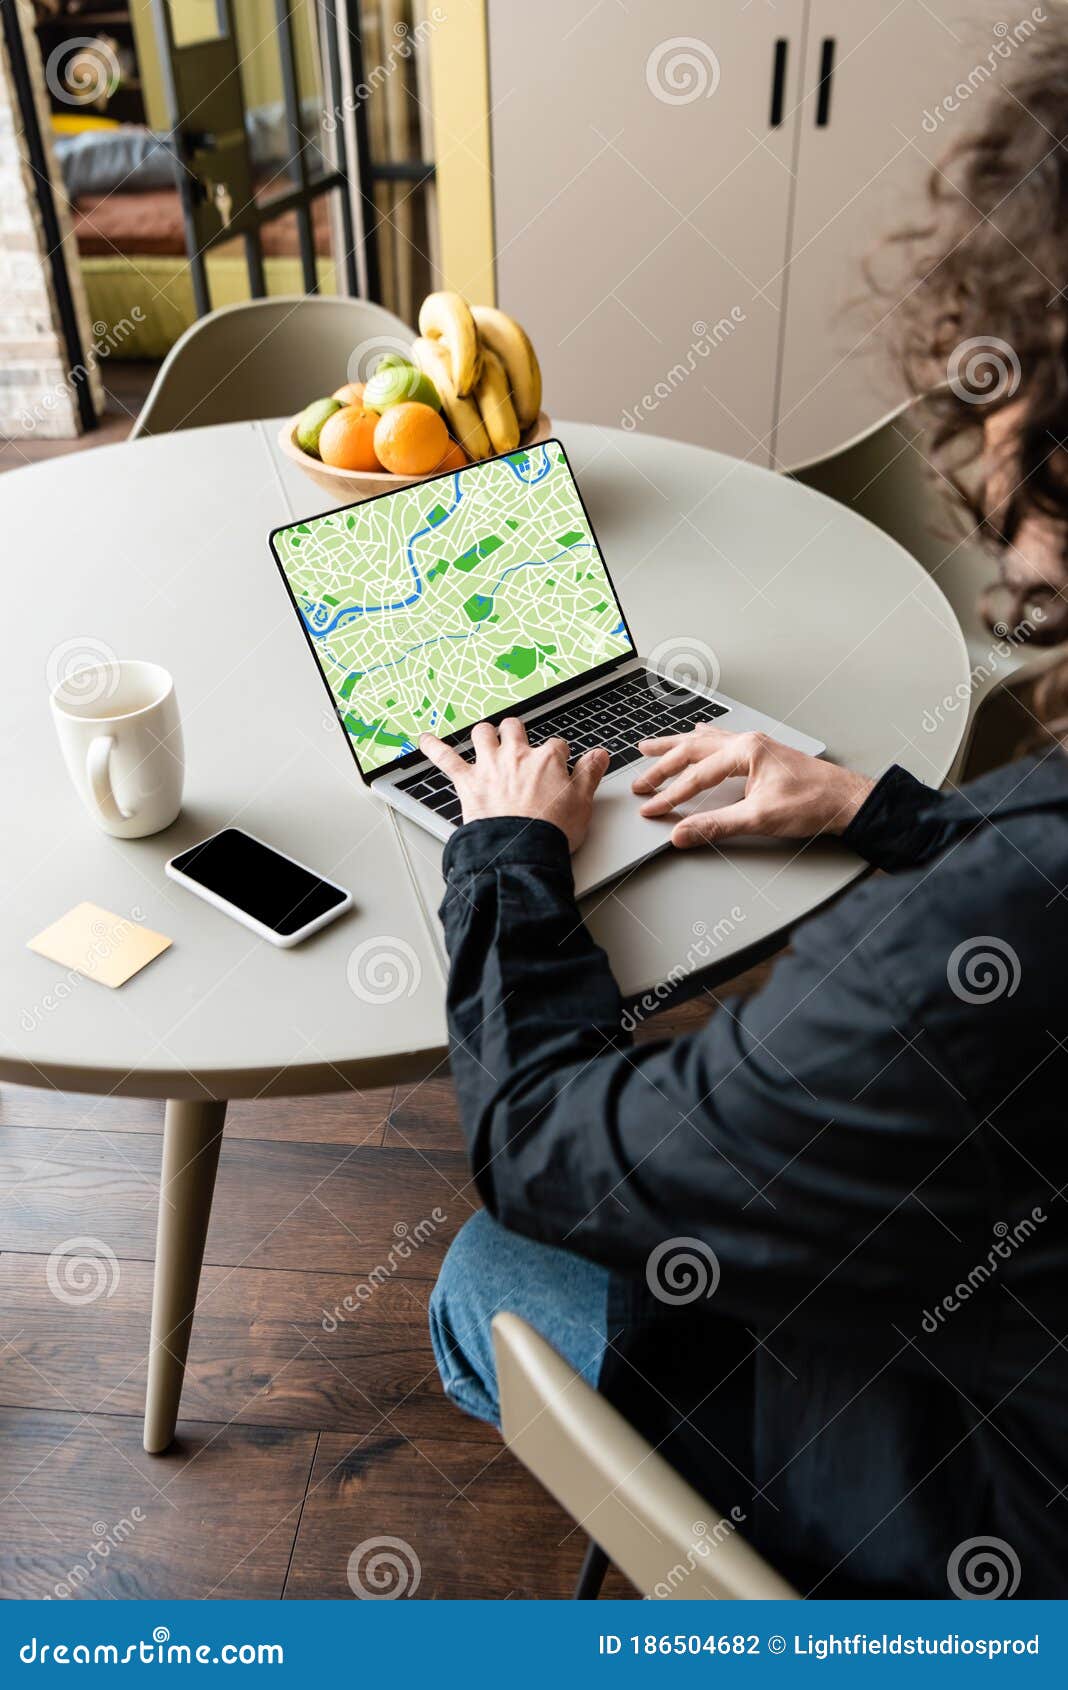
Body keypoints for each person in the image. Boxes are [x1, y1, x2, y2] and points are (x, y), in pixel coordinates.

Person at [424, 28, 1068, 1600]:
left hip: (963, 1520)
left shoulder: (975, 934)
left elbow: (546, 1149)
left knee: (480, 1273)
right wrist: (889, 810)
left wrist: (505, 852)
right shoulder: (1002, 877)